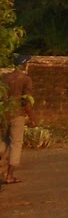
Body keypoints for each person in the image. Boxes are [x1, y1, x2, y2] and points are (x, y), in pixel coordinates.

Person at [1, 56, 36, 184]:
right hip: (17, 114)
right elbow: (26, 101)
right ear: (24, 65)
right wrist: (32, 118)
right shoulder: (26, 80)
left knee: (5, 141)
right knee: (16, 143)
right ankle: (9, 175)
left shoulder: (4, 78)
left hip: (4, 113)